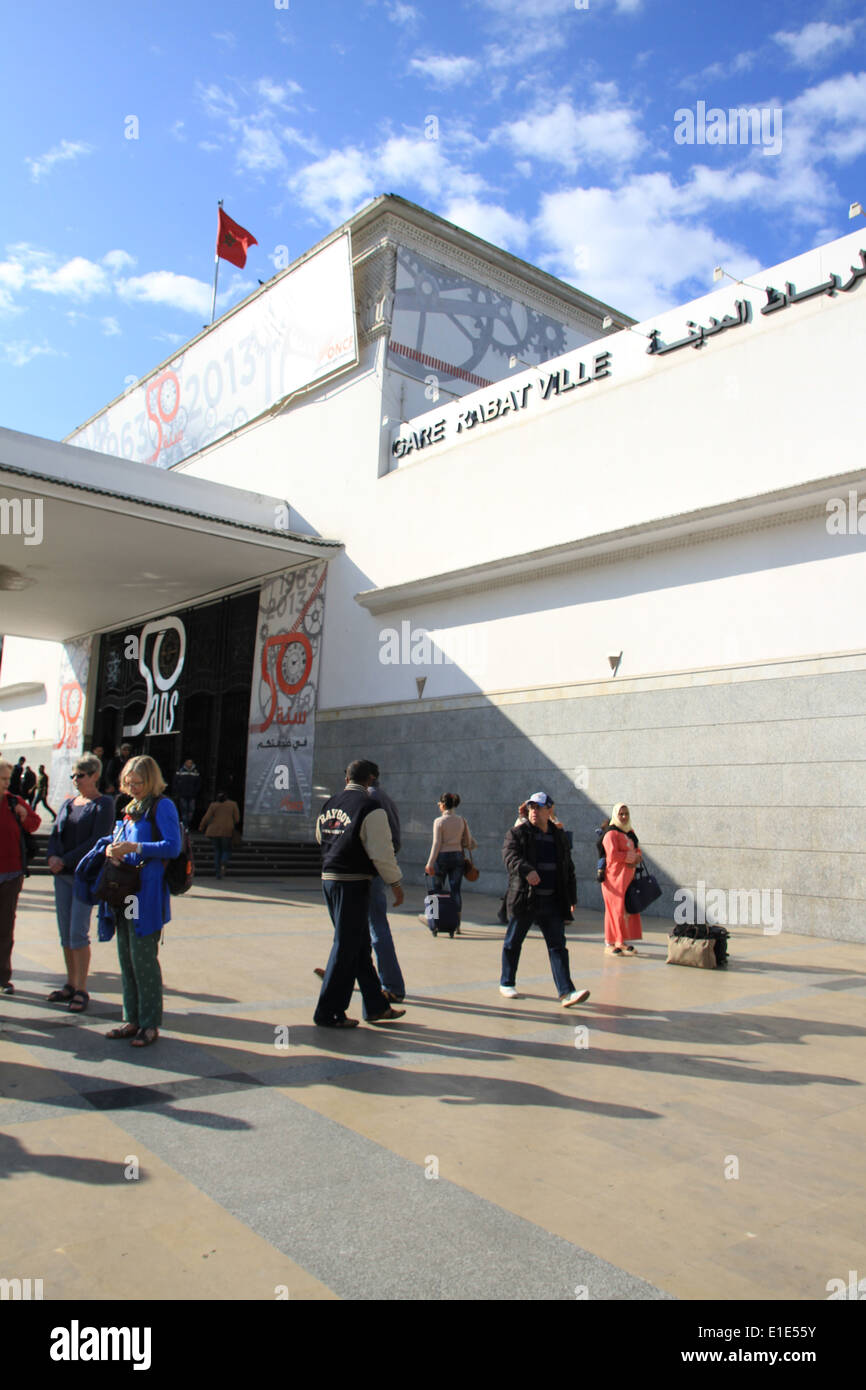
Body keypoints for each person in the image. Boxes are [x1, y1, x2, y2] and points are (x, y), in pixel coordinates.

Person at [314, 759, 405, 1028]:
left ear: (347, 779)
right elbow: (382, 850)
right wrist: (396, 883)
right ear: (371, 779)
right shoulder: (370, 807)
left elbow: (321, 836)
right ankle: (328, 1011)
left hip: (329, 879)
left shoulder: (330, 802)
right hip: (353, 882)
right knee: (345, 946)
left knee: (359, 945)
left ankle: (376, 1006)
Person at [102, 755, 182, 1047]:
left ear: (151, 781)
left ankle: (149, 1023)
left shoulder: (162, 806)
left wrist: (135, 846)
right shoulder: (129, 809)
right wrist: (113, 848)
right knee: (126, 956)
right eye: (128, 782)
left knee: (143, 958)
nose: (133, 787)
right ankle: (131, 1018)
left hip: (145, 894)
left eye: (138, 782)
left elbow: (172, 847)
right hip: (123, 892)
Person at [500, 791, 590, 1008]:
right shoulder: (518, 833)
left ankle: (566, 992)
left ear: (550, 810)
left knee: (558, 946)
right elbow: (509, 856)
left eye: (538, 807)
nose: (534, 811)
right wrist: (526, 870)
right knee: (513, 942)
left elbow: (568, 868)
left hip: (552, 901)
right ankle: (507, 982)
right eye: (531, 807)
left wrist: (571, 896)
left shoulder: (559, 836)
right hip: (526, 898)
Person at [45, 753, 115, 1012]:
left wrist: (66, 859)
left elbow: (98, 839)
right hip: (61, 875)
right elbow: (56, 833)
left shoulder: (103, 804)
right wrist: (52, 856)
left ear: (94, 775)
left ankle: (82, 988)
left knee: (78, 932)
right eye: (73, 775)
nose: (76, 780)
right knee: (65, 932)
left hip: (83, 876)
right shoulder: (68, 803)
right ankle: (70, 983)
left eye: (81, 775)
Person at [0, 759, 42, 995]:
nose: (8, 783)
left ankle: (3, 976)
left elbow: (34, 824)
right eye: (4, 779)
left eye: (8, 779)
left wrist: (24, 814)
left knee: (5, 928)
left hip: (11, 874)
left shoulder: (13, 802)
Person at [424, 792, 476, 931]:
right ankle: (457, 924)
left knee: (436, 889)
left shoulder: (439, 821)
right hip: (458, 856)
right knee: (456, 890)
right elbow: (468, 841)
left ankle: (435, 922)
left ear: (443, 804)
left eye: (439, 803)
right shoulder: (461, 820)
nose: (438, 805)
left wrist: (430, 863)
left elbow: (436, 843)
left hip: (442, 857)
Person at [600, 802, 643, 957]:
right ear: (615, 815)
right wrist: (631, 857)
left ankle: (621, 940)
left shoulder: (629, 833)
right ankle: (611, 941)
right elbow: (612, 855)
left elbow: (636, 848)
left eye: (626, 814)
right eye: (621, 814)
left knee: (625, 910)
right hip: (614, 880)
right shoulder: (611, 834)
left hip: (627, 878)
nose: (624, 817)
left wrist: (637, 856)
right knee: (614, 910)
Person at [199, 791, 239, 877]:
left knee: (217, 850)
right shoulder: (233, 804)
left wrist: (201, 826)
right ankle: (223, 862)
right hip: (227, 830)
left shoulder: (213, 805)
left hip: (214, 831)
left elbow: (207, 817)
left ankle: (217, 872)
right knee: (226, 849)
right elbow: (237, 818)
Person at [172, 757, 202, 828]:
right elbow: (175, 782)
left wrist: (195, 792)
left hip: (192, 795)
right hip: (183, 795)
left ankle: (187, 823)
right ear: (185, 763)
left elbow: (198, 784)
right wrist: (178, 791)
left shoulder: (195, 773)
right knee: (184, 810)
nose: (189, 764)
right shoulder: (180, 772)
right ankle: (185, 826)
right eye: (188, 762)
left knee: (191, 810)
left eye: (190, 762)